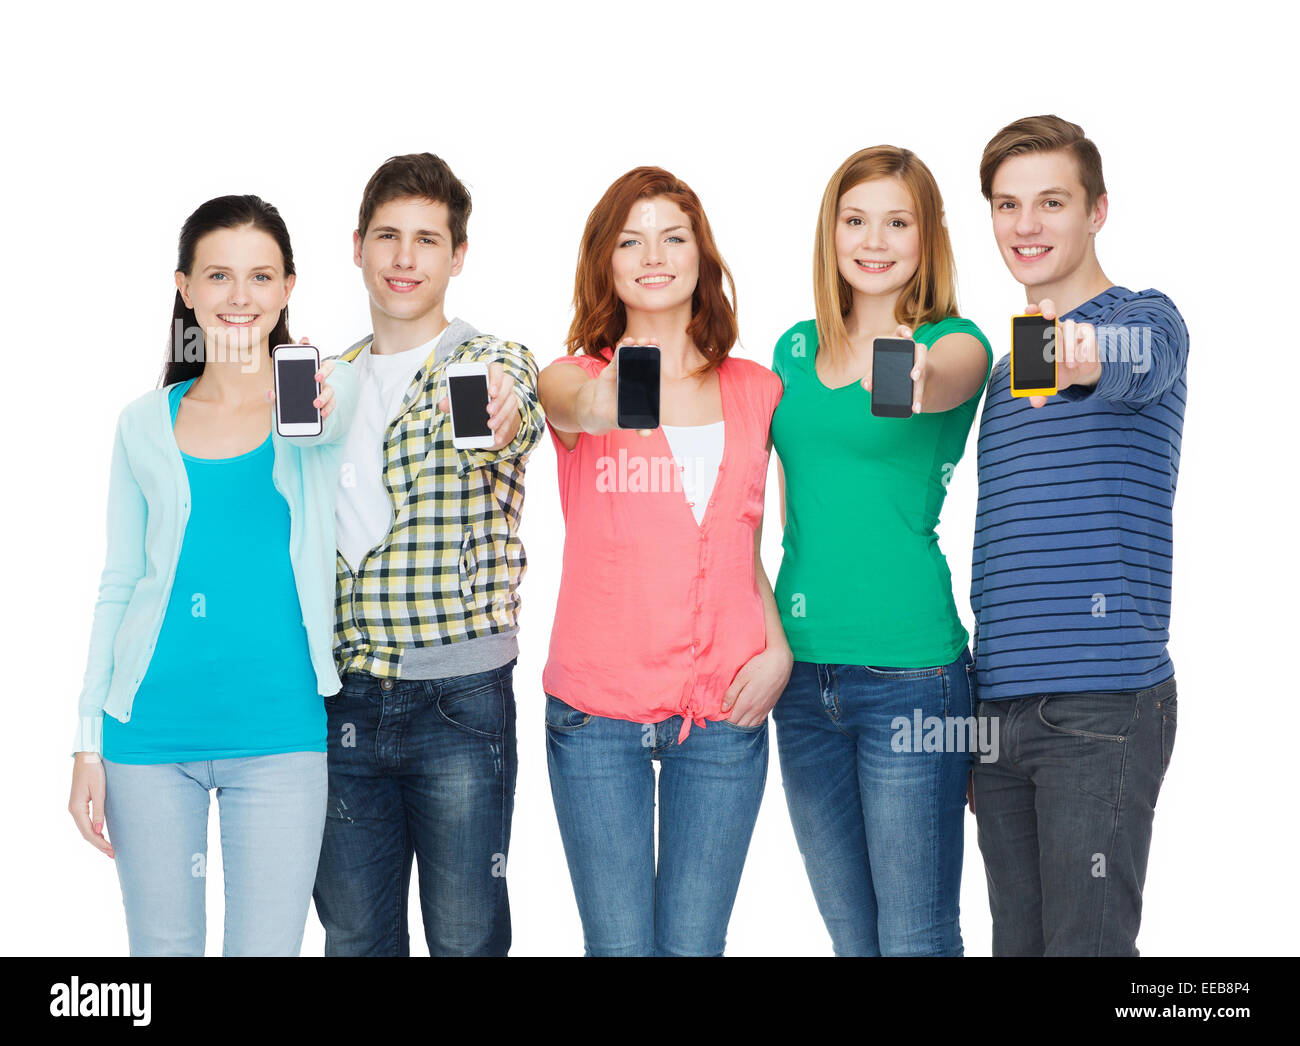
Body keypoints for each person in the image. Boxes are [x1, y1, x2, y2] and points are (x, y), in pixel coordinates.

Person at [68, 195, 358, 956]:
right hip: (148, 736)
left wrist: (327, 411)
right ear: (185, 287)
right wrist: (85, 741)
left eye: (261, 276)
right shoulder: (141, 423)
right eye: (219, 276)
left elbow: (357, 457)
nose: (240, 296)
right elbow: (119, 580)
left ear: (289, 288)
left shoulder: (323, 398)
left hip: (281, 733)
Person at [538, 166, 790, 957]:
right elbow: (567, 406)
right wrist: (602, 402)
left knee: (693, 948)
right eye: (631, 240)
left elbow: (739, 542)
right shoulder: (575, 380)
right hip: (596, 717)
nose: (654, 255)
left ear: (700, 256)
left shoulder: (756, 390)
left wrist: (778, 646)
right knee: (618, 948)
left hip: (723, 715)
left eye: (673, 237)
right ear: (606, 263)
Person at [311, 153, 543, 957]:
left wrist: (502, 411)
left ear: (457, 256)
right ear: (358, 247)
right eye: (388, 237)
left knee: (466, 941)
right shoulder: (324, 381)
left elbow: (499, 419)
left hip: (457, 700)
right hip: (340, 698)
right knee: (354, 939)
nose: (405, 258)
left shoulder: (487, 362)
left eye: (427, 240)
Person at [969, 115, 1188, 956]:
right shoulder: (1000, 375)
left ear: (1097, 210)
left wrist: (1081, 350)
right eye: (1007, 205)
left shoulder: (1146, 320)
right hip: (1001, 711)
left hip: (1103, 707)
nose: (1026, 226)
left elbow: (1134, 358)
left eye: (1051, 203)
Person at [769, 146, 992, 956]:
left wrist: (916, 369)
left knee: (917, 935)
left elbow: (948, 378)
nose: (875, 240)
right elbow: (788, 511)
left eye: (898, 222)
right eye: (856, 220)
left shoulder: (952, 340)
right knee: (852, 938)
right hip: (798, 679)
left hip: (912, 680)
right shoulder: (792, 351)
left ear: (927, 236)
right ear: (831, 233)